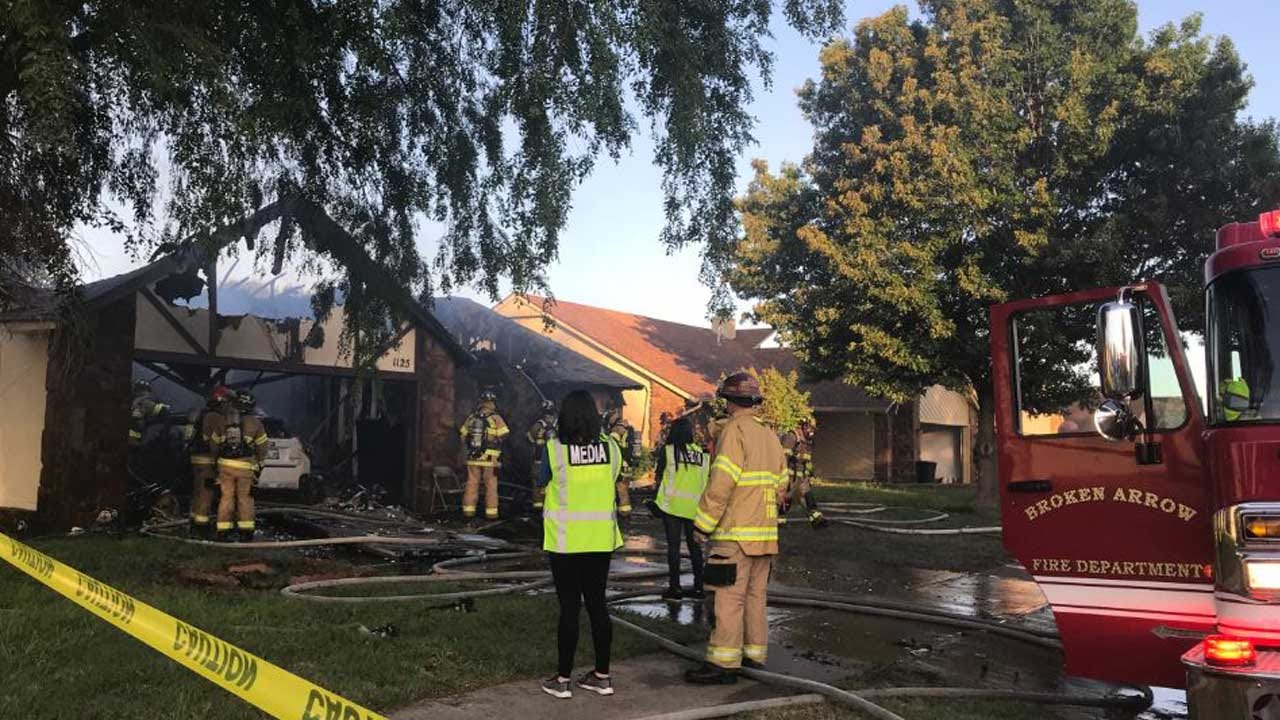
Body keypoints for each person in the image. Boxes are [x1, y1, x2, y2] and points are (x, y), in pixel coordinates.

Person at [686, 372, 788, 684]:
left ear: (728, 401)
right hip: (765, 536)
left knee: (728, 600)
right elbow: (783, 484)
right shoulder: (769, 435)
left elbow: (721, 485)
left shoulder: (734, 432)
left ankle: (723, 665)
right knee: (756, 599)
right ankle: (753, 657)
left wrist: (702, 524)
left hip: (736, 536)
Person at [537, 390, 624, 700]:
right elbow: (614, 479)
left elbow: (541, 481)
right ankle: (602, 677)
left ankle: (562, 680)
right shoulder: (612, 448)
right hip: (600, 541)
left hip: (565, 542)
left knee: (569, 609)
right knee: (598, 605)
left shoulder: (554, 450)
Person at [652, 417, 708, 600]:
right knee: (695, 549)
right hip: (694, 508)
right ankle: (699, 587)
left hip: (672, 507)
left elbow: (659, 477)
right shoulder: (702, 454)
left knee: (674, 548)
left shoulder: (668, 452)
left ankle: (674, 588)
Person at [212, 391, 268, 542]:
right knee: (245, 499)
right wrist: (260, 466)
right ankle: (245, 531)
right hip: (245, 468)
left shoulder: (222, 421)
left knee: (226, 498)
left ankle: (223, 531)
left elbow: (214, 445)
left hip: (225, 467)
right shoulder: (256, 423)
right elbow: (262, 448)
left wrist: (215, 464)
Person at [186, 385, 232, 538]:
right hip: (208, 461)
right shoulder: (216, 418)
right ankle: (201, 527)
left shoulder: (201, 414)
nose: (228, 406)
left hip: (196, 459)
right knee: (206, 494)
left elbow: (189, 436)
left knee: (197, 491)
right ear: (221, 402)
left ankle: (193, 523)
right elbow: (214, 443)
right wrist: (218, 462)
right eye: (227, 403)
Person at [458, 390, 510, 519]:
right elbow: (504, 434)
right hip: (490, 458)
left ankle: (468, 512)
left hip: (473, 457)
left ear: (481, 402)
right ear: (492, 403)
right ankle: (491, 514)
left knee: (471, 484)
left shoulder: (471, 418)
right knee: (491, 485)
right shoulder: (495, 418)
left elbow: (463, 435)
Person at [779, 419, 827, 529]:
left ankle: (816, 519)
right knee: (785, 499)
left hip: (800, 477)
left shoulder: (808, 442)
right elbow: (782, 460)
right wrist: (784, 478)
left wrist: (809, 475)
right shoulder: (792, 437)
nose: (812, 432)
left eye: (814, 429)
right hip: (787, 476)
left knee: (807, 496)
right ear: (804, 426)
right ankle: (778, 521)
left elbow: (807, 462)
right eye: (810, 428)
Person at [604, 407, 636, 517]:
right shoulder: (628, 430)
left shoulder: (615, 433)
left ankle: (623, 511)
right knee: (623, 489)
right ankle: (625, 510)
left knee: (620, 488)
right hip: (626, 465)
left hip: (620, 465)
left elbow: (614, 448)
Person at [526, 400, 558, 511]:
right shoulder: (558, 425)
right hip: (556, 460)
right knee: (554, 481)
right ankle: (551, 505)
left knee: (538, 482)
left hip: (539, 460)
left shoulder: (537, 425)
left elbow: (529, 438)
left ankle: (538, 506)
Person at [129, 379, 169, 446]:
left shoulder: (145, 402)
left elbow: (163, 411)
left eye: (140, 390)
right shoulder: (137, 401)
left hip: (134, 440)